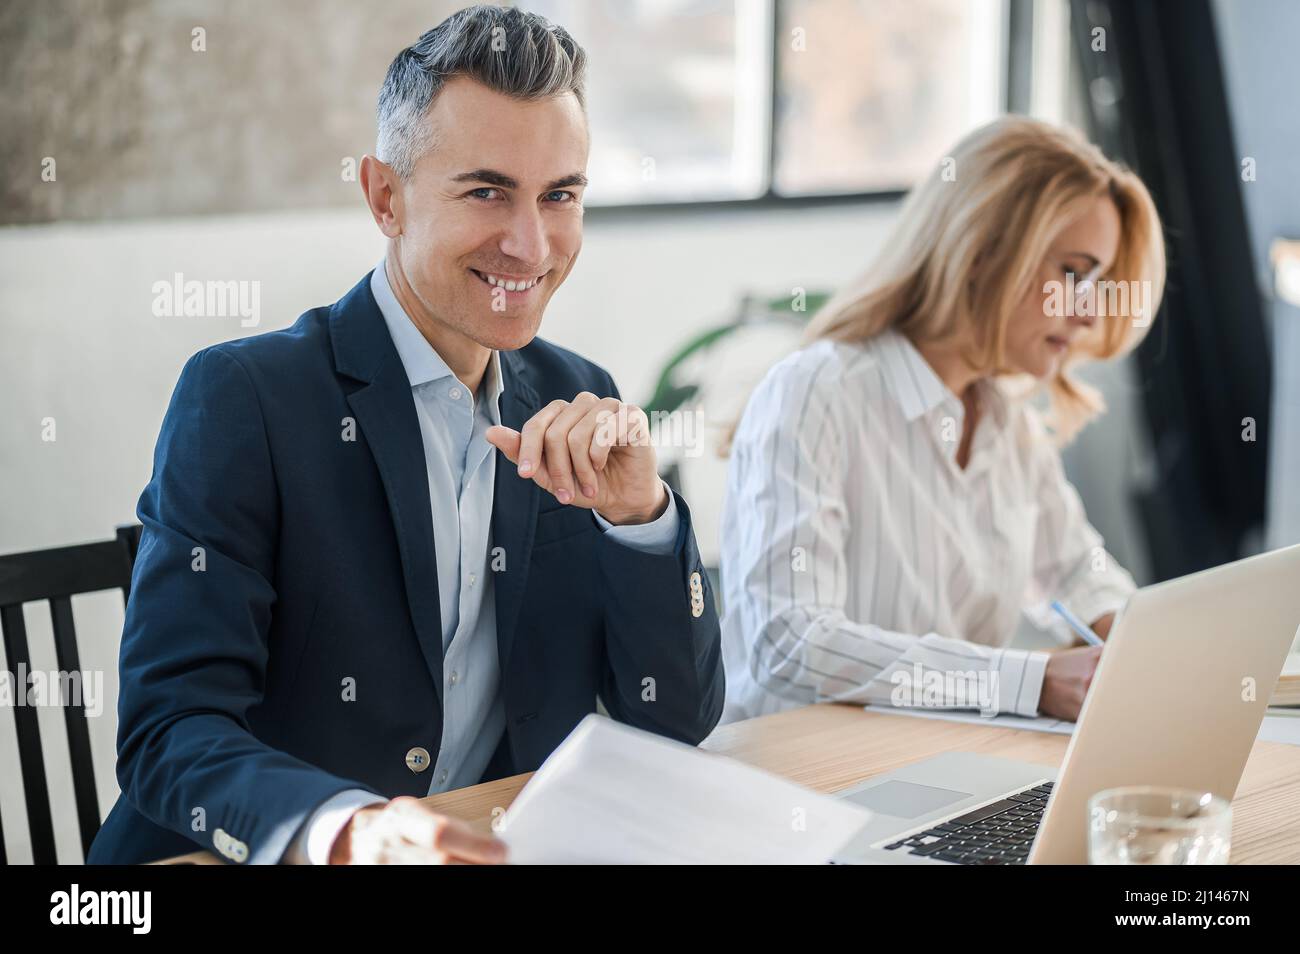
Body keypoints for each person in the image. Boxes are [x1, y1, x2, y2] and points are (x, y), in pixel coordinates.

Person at [89, 5, 723, 866]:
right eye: (487, 190)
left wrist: (641, 518)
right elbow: (170, 731)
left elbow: (673, 720)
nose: (530, 244)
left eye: (560, 195)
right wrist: (344, 829)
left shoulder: (580, 397)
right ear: (386, 196)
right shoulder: (246, 398)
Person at [720, 116, 1165, 726]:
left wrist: (1137, 642)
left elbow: (1076, 574)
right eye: (1073, 273)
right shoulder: (817, 392)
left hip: (941, 765)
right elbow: (792, 642)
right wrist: (1028, 682)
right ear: (982, 251)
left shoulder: (1006, 423)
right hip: (801, 782)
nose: (1089, 314)